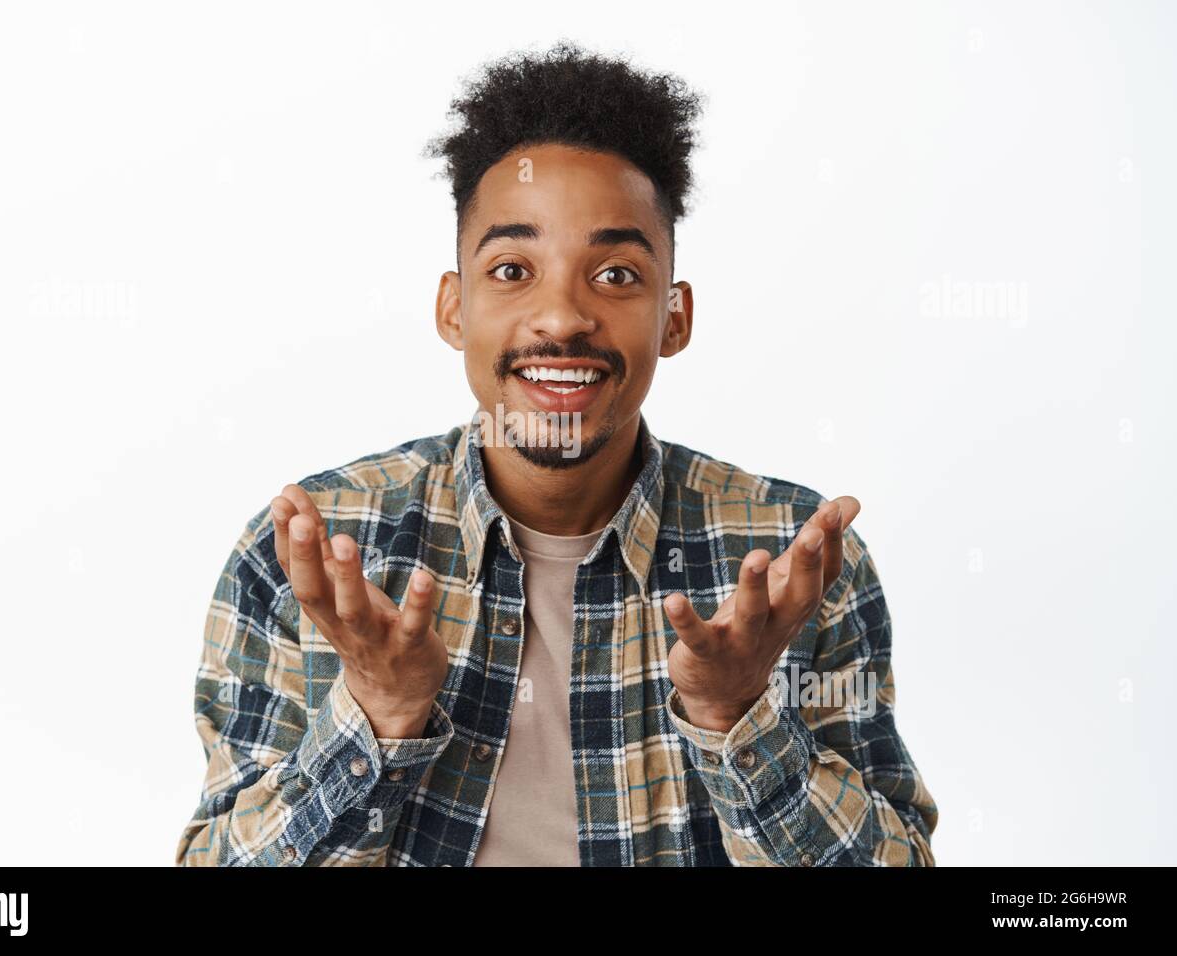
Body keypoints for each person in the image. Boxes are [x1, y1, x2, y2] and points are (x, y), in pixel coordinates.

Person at [176, 40, 938, 867]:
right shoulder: (312, 553)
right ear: (453, 308)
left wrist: (737, 716)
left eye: (614, 275)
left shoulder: (795, 563)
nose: (562, 317)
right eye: (512, 268)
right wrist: (376, 709)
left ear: (674, 318)